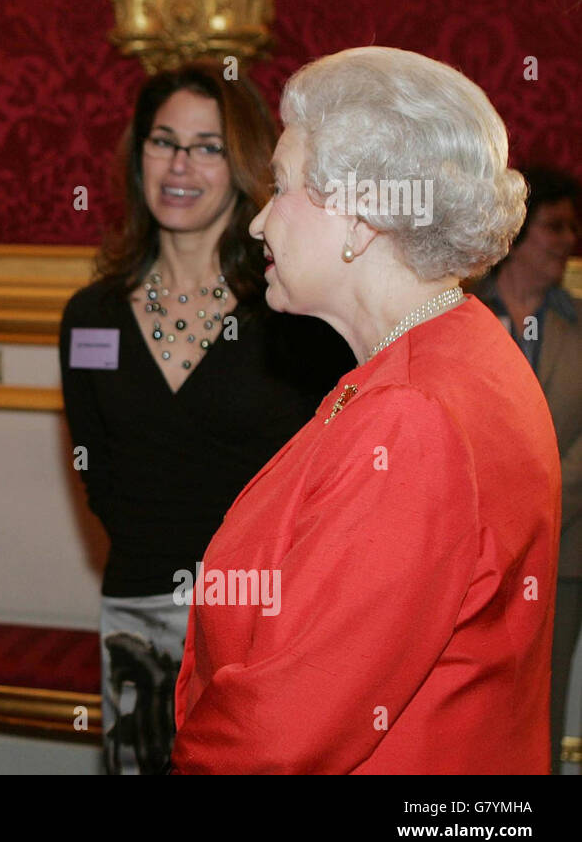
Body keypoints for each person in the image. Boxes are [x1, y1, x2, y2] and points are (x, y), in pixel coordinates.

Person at [172, 46, 559, 773]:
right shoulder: (461, 348)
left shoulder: (412, 413)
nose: (259, 227)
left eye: (281, 188)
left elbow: (280, 735)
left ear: (361, 215)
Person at [58, 63, 351, 773]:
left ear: (244, 163)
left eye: (208, 146)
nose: (180, 165)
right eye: (163, 142)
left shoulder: (291, 313)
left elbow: (329, 481)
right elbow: (97, 473)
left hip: (265, 622)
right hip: (139, 614)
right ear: (138, 157)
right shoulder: (91, 316)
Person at [472, 166, 582, 772]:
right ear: (515, 234)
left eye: (573, 228)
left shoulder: (578, 324)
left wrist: (533, 499)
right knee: (466, 707)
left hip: (562, 555)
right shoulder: (459, 313)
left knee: (541, 707)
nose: (567, 240)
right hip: (465, 554)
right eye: (554, 226)